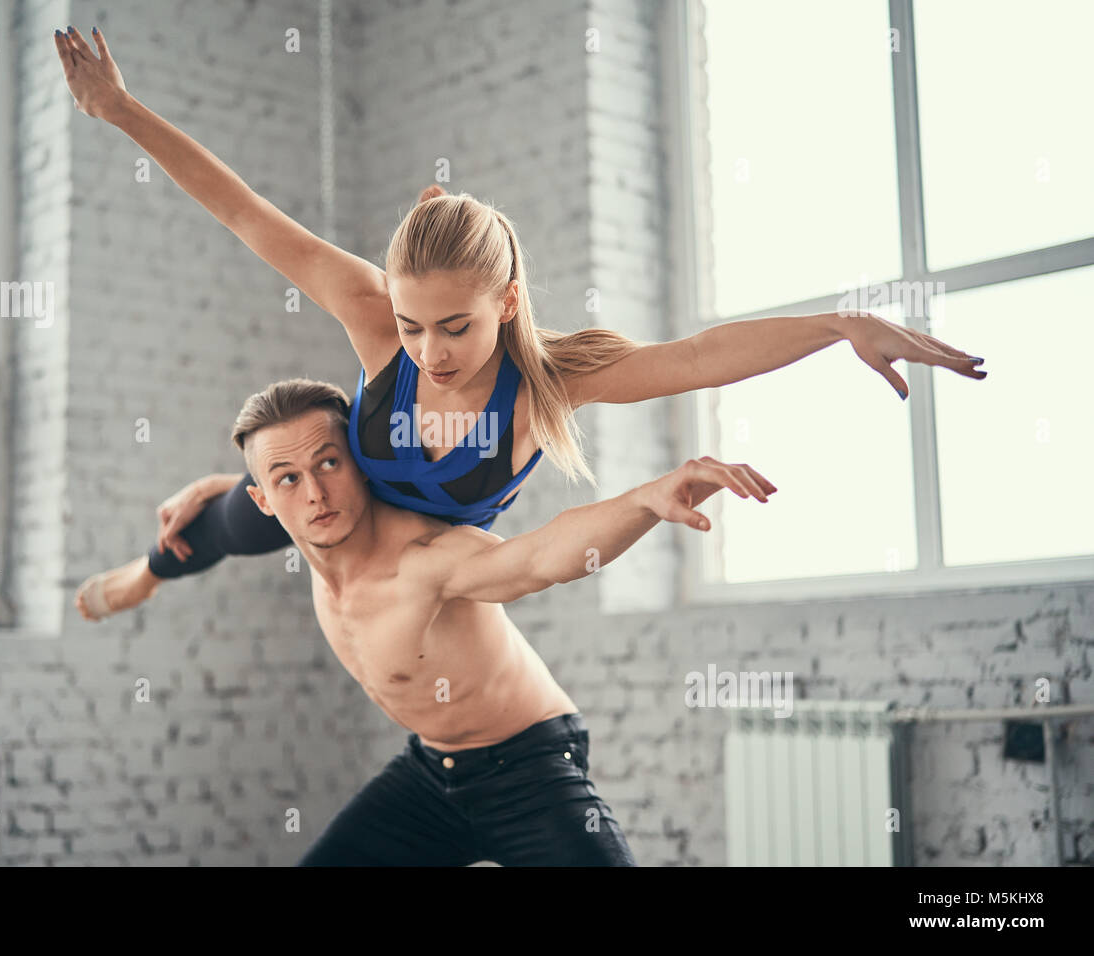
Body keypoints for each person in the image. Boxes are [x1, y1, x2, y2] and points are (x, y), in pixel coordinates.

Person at [53, 26, 985, 621]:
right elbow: (250, 213)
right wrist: (121, 110)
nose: (429, 353)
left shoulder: (551, 380)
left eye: (453, 327)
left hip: (431, 565)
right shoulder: (380, 324)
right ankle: (159, 557)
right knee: (223, 527)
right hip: (351, 502)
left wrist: (836, 326)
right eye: (413, 328)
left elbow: (700, 356)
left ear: (505, 302)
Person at [200, 377, 776, 865]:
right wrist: (196, 502)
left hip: (528, 766)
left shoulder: (423, 559)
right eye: (289, 479)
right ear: (265, 502)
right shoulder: (298, 521)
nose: (317, 493)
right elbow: (224, 522)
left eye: (330, 462)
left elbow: (535, 560)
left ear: (361, 466)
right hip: (430, 773)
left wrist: (644, 501)